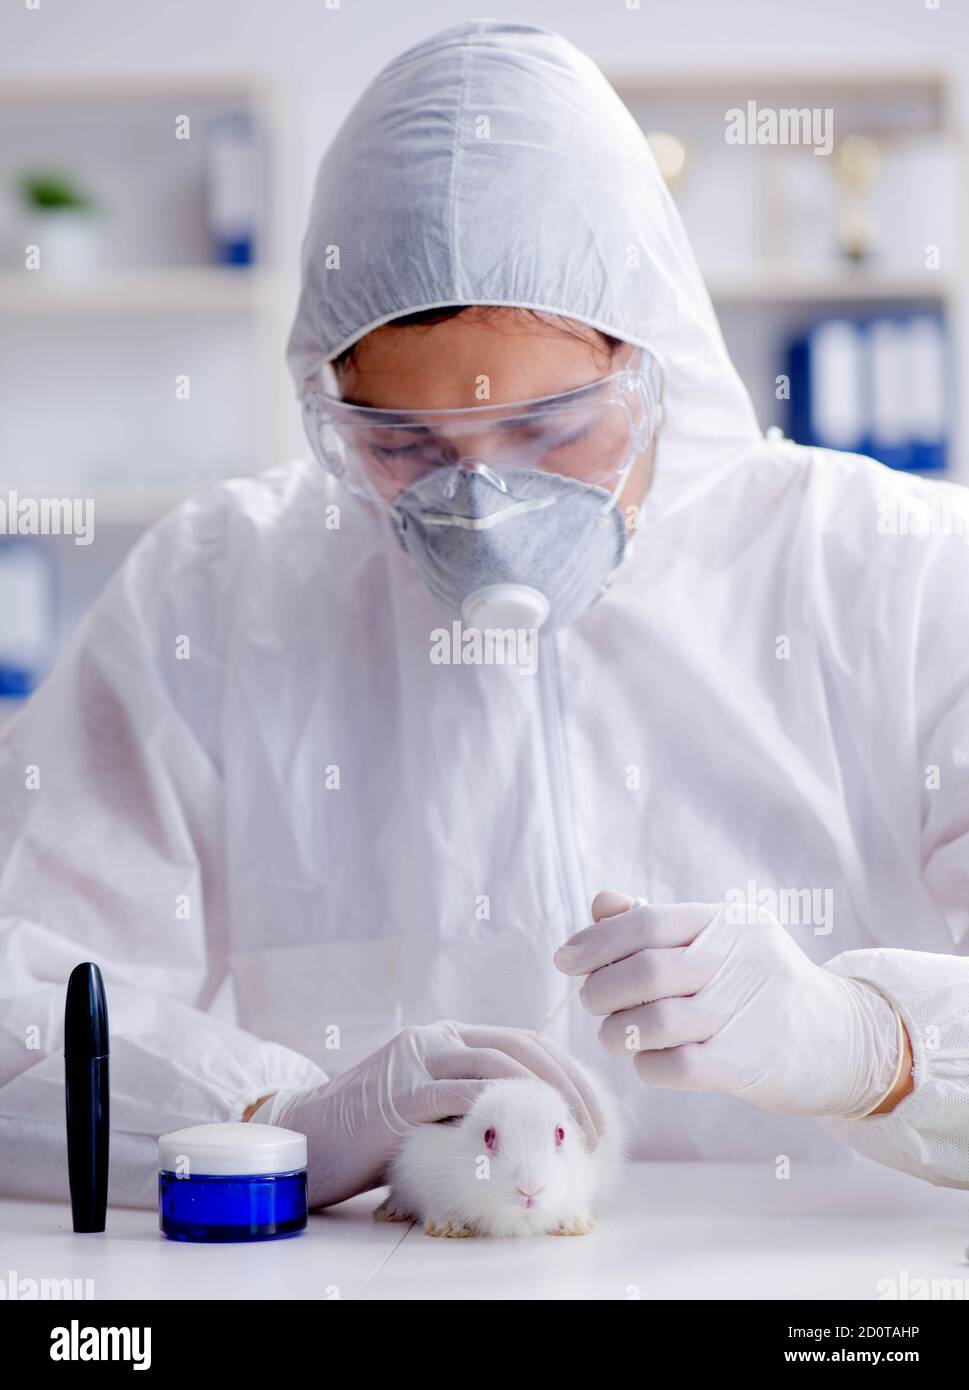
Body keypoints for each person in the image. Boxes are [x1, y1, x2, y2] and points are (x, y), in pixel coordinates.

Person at [2, 20, 968, 1212]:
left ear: (652, 362)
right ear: (330, 404)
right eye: (405, 444)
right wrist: (267, 1120)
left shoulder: (896, 572)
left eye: (551, 429)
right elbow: (21, 993)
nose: (482, 503)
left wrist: (876, 1046)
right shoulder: (216, 591)